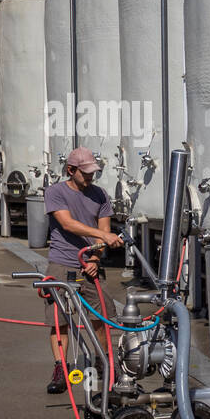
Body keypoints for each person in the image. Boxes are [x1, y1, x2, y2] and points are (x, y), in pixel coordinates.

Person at [43, 147, 124, 393]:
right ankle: (61, 367)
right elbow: (67, 224)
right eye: (85, 172)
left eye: (93, 172)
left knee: (101, 315)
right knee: (59, 319)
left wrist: (96, 259)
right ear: (71, 170)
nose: (90, 177)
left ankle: (104, 360)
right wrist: (103, 236)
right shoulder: (55, 192)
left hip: (90, 265)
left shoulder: (100, 195)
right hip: (62, 261)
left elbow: (104, 229)